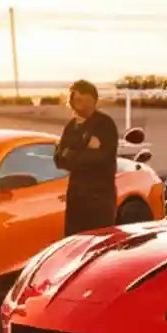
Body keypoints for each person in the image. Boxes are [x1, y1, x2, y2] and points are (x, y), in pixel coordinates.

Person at [55, 80, 119, 237]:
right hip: (76, 200)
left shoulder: (105, 124)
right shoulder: (71, 126)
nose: (75, 103)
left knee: (99, 245)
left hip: (99, 200)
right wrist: (84, 146)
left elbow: (103, 158)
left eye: (80, 99)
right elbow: (59, 159)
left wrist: (72, 154)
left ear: (93, 100)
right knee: (74, 246)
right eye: (73, 99)